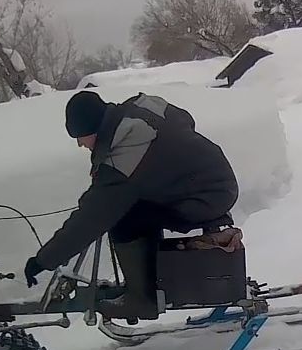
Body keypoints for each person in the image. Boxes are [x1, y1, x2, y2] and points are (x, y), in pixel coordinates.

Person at [24, 90, 241, 320]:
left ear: (95, 129)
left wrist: (42, 261)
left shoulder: (123, 156)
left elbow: (89, 220)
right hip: (213, 178)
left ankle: (142, 300)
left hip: (207, 196)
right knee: (137, 206)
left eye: (81, 136)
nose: (80, 144)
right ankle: (152, 280)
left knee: (124, 219)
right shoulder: (139, 108)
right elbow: (184, 118)